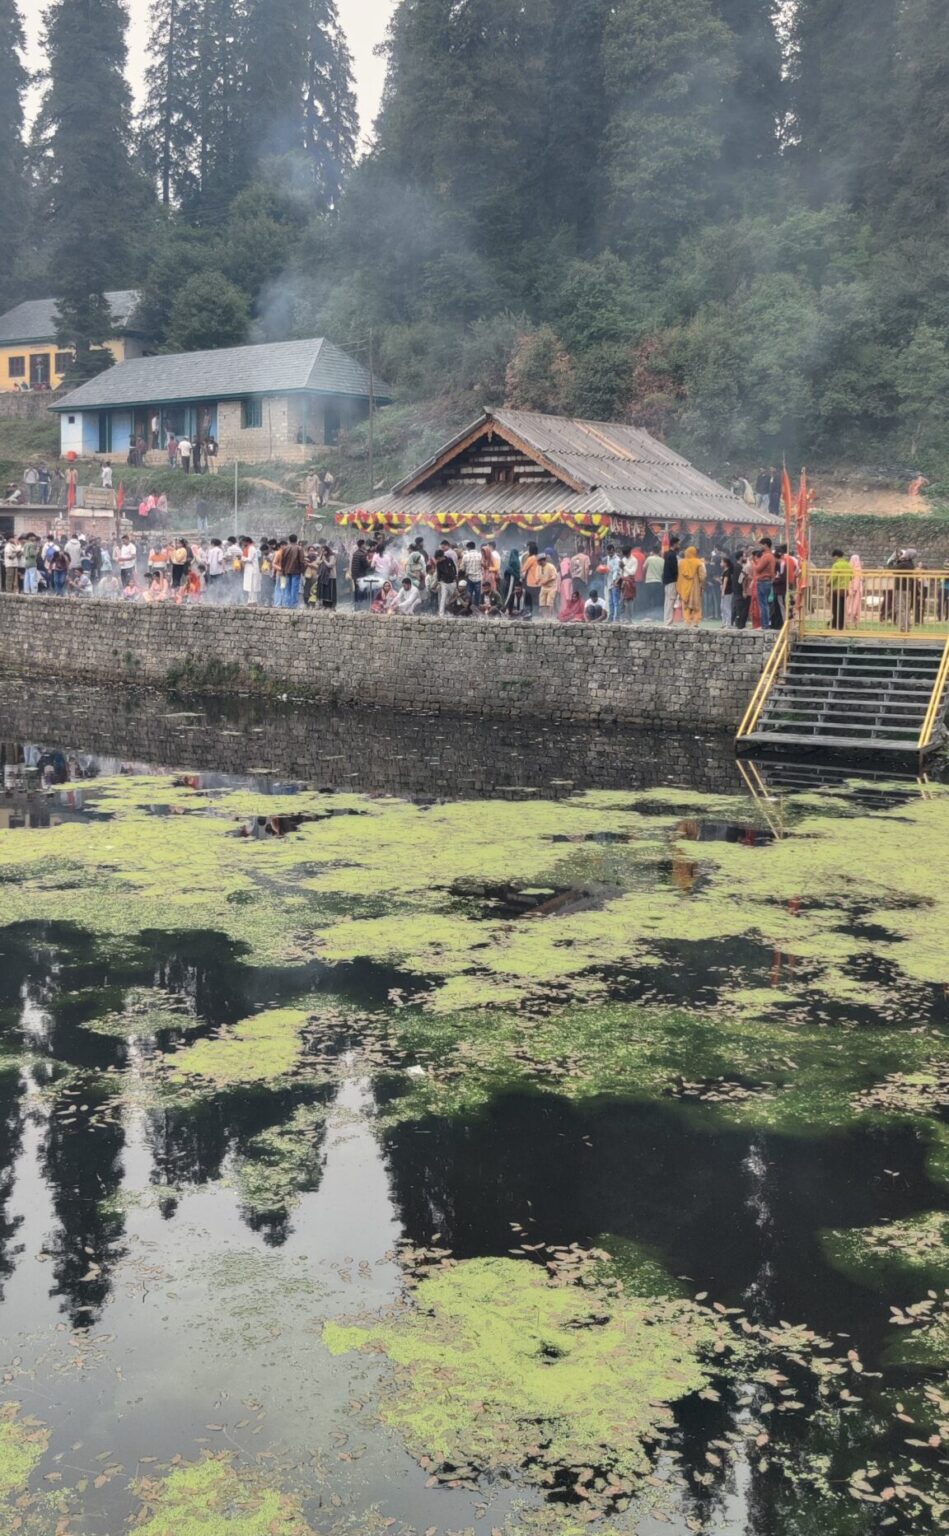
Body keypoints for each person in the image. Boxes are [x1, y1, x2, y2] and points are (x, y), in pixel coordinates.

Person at [677, 546, 707, 625]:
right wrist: (702, 585)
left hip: (684, 586)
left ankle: (687, 621)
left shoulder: (681, 562)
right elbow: (702, 576)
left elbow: (679, 575)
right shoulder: (698, 562)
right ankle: (696, 622)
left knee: (686, 605)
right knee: (696, 604)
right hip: (695, 586)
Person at [753, 538, 777, 631]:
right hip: (768, 581)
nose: (760, 547)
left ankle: (765, 625)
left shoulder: (766, 556)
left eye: (761, 545)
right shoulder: (771, 556)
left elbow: (758, 569)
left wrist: (754, 562)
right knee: (766, 604)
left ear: (766, 545)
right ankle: (766, 624)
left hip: (763, 581)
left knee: (763, 604)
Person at [829, 549, 853, 631]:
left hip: (836, 589)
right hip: (845, 589)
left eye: (833, 557)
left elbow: (833, 577)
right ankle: (841, 625)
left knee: (835, 608)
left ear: (836, 556)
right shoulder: (848, 565)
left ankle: (835, 625)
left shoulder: (836, 565)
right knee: (842, 608)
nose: (833, 559)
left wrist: (828, 583)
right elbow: (851, 577)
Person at [279, 533, 305, 609]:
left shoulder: (285, 549)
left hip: (287, 571)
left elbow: (282, 561)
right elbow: (302, 561)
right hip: (296, 571)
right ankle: (293, 604)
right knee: (294, 588)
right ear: (296, 540)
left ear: (289, 540)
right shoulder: (299, 548)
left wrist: (283, 571)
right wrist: (302, 570)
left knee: (288, 588)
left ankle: (287, 603)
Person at [434, 541, 458, 616]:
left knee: (452, 597)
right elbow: (438, 573)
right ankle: (441, 613)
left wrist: (455, 576)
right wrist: (439, 582)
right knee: (443, 598)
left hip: (452, 582)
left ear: (442, 556)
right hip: (444, 582)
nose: (438, 560)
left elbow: (454, 568)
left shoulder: (449, 560)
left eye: (438, 558)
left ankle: (452, 612)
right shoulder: (438, 564)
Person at [663, 537, 681, 625]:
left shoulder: (668, 554)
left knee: (668, 601)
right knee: (671, 601)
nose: (679, 545)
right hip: (672, 580)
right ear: (674, 544)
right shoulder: (672, 555)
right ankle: (668, 621)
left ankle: (668, 620)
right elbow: (674, 570)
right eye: (678, 543)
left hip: (667, 580)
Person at [642, 547, 664, 618]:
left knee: (648, 599)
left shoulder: (649, 559)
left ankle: (648, 616)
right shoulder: (662, 560)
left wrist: (645, 576)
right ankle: (657, 616)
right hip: (658, 581)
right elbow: (663, 572)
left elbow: (644, 568)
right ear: (659, 551)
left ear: (652, 551)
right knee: (657, 599)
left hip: (649, 581)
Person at [522, 543, 542, 616]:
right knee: (537, 600)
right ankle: (537, 614)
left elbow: (523, 568)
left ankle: (528, 613)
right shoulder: (539, 558)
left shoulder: (531, 558)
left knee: (528, 599)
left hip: (530, 583)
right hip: (539, 583)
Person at [351, 539, 371, 611]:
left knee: (356, 590)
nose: (365, 546)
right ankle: (362, 606)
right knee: (362, 590)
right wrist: (369, 562)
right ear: (362, 545)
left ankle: (356, 606)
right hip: (361, 575)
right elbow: (366, 565)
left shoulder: (355, 553)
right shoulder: (362, 554)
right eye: (365, 544)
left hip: (355, 575)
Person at [846, 553, 864, 628]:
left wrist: (853, 589)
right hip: (856, 591)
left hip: (853, 590)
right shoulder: (858, 568)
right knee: (856, 606)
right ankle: (855, 622)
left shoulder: (852, 569)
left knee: (850, 605)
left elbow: (856, 580)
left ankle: (849, 621)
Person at [317, 545, 338, 610]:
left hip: (330, 576)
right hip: (323, 576)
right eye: (322, 551)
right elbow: (317, 562)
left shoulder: (332, 556)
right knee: (324, 591)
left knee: (330, 591)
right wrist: (320, 556)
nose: (324, 552)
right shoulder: (322, 556)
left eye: (324, 551)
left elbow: (330, 565)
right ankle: (324, 605)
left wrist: (325, 560)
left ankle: (331, 605)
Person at [242, 538, 261, 605]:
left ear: (247, 542)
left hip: (252, 570)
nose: (243, 543)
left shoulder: (251, 548)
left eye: (243, 542)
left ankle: (252, 601)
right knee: (250, 586)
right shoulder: (248, 548)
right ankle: (251, 601)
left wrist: (242, 558)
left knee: (252, 586)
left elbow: (250, 559)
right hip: (249, 570)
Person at [721, 555, 736, 628]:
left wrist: (723, 591)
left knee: (726, 607)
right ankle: (724, 622)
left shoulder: (727, 572)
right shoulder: (726, 571)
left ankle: (729, 623)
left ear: (725, 563)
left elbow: (725, 582)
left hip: (727, 591)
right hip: (726, 591)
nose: (720, 563)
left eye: (722, 562)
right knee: (723, 607)